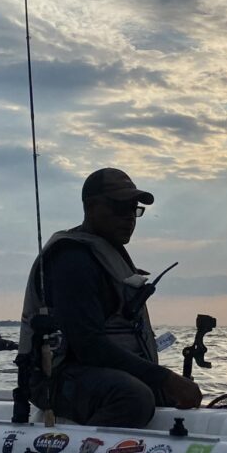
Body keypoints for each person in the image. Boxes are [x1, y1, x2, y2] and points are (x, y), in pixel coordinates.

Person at [16, 168, 201, 427]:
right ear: (91, 208)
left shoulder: (109, 254)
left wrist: (166, 383)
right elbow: (88, 346)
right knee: (133, 396)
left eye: (133, 210)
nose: (129, 218)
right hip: (54, 379)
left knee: (179, 392)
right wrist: (164, 378)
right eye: (118, 208)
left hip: (98, 373)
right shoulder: (72, 260)